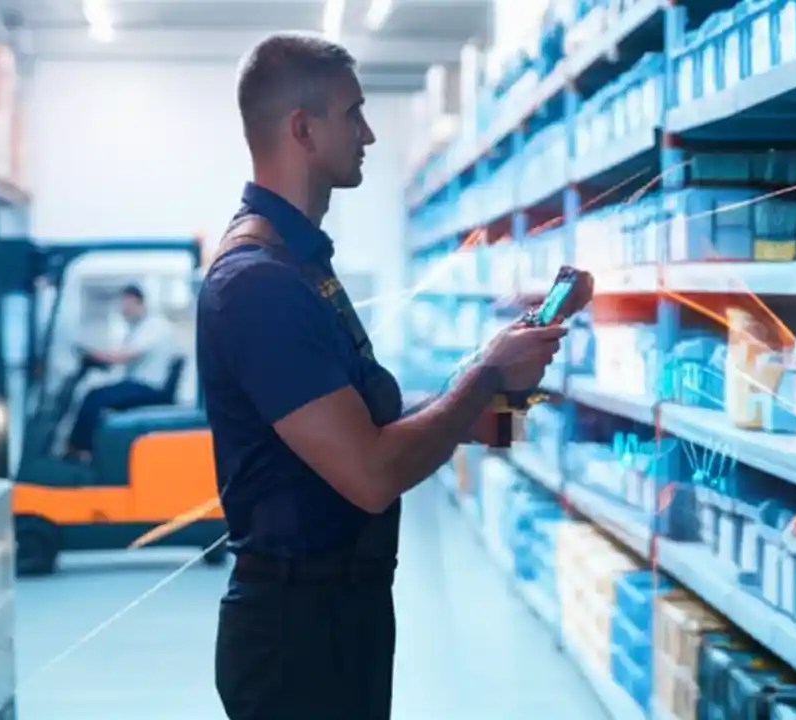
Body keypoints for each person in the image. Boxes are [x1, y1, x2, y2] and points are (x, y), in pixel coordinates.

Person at [197, 33, 593, 720]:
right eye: (353, 113)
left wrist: (497, 388)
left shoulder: (301, 266)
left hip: (340, 614)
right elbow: (371, 475)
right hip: (296, 639)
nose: (369, 133)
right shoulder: (258, 285)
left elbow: (369, 417)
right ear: (302, 128)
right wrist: (487, 375)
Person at [66, 284, 179, 461]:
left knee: (95, 397)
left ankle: (81, 451)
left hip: (149, 388)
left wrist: (92, 354)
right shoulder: (137, 328)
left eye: (126, 304)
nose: (123, 309)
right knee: (96, 394)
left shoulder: (154, 326)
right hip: (138, 384)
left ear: (138, 302)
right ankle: (82, 450)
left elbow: (125, 356)